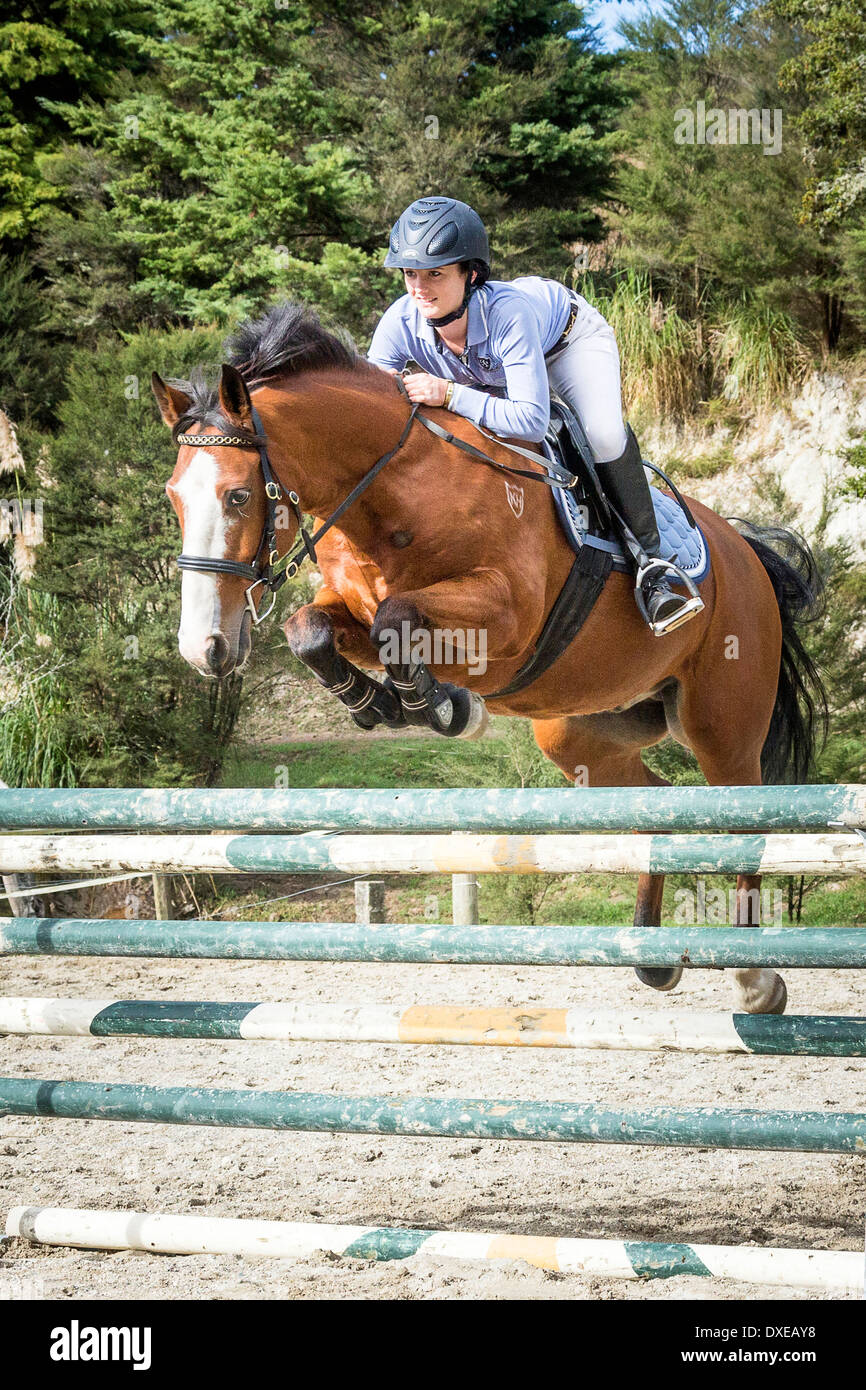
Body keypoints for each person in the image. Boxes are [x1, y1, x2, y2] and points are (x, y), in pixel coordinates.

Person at [368, 195, 703, 635]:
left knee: (601, 434)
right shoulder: (400, 322)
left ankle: (655, 566)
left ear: (470, 274)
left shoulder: (506, 313)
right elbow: (374, 402)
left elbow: (528, 418)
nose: (418, 288)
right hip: (493, 373)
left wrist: (448, 393)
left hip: (566, 344)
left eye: (435, 274)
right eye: (410, 273)